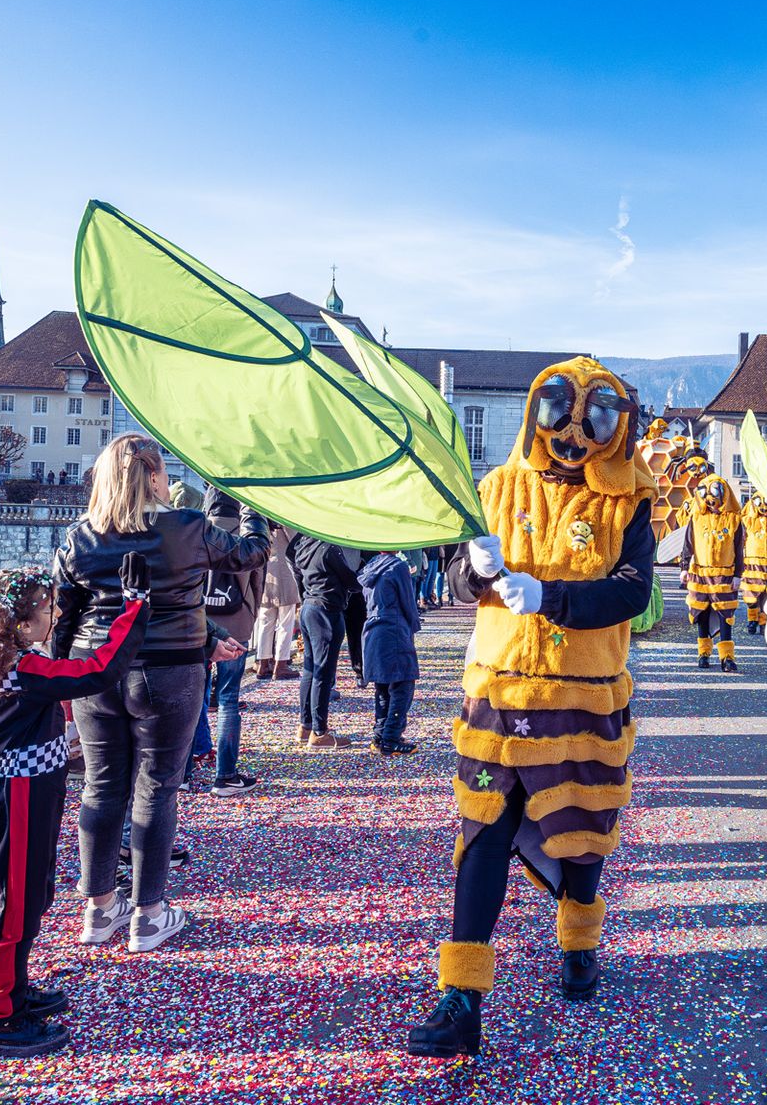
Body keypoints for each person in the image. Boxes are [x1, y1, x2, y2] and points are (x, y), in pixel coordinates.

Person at [406, 357, 653, 1058]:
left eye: (594, 420)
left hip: (581, 698)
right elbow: (458, 585)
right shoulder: (495, 487)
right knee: (482, 835)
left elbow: (633, 590)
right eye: (560, 415)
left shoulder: (628, 501)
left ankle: (579, 941)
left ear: (614, 427)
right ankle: (461, 998)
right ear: (537, 415)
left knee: (581, 834)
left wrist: (554, 597)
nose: (574, 435)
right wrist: (472, 569)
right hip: (499, 695)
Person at [0, 557, 148, 1057]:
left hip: (23, 791)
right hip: (17, 794)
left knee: (30, 897)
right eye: (48, 609)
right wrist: (134, 608)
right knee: (11, 908)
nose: (55, 616)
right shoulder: (20, 668)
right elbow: (98, 670)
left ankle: (10, 990)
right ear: (21, 622)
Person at [53, 434, 272, 956]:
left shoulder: (82, 536)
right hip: (169, 671)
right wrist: (251, 505)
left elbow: (65, 613)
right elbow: (253, 553)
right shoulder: (186, 527)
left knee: (102, 787)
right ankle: (149, 915)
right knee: (157, 787)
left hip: (97, 670)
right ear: (154, 476)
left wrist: (62, 678)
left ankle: (99, 908)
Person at [199, 489, 264, 798]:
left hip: (197, 625)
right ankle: (225, 775)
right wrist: (248, 618)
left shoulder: (196, 530)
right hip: (236, 622)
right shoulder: (245, 536)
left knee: (194, 699)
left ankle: (184, 771)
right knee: (228, 699)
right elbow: (257, 583)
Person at [288, 533, 362, 748]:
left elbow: (290, 556)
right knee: (324, 672)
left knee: (310, 669)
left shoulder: (303, 544)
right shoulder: (329, 548)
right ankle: (320, 732)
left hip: (309, 605)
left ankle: (306, 725)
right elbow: (351, 580)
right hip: (327, 609)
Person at [681, 473, 745, 671]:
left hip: (724, 574)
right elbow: (688, 543)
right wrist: (684, 568)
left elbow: (739, 548)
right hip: (700, 573)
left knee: (726, 615)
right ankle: (703, 654)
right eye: (708, 502)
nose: (712, 505)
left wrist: (737, 575)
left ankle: (727, 658)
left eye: (715, 501)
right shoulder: (696, 518)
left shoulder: (734, 520)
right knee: (702, 613)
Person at [361, 550, 423, 753]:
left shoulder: (371, 566)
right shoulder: (398, 567)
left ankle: (380, 735)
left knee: (383, 684)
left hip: (373, 627)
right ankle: (391, 737)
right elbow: (408, 601)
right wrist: (414, 626)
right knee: (403, 684)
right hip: (394, 628)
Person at [251, 520, 301, 680]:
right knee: (285, 621)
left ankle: (263, 663)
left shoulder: (260, 514)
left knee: (266, 620)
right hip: (284, 569)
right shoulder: (282, 513)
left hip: (265, 568)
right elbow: (294, 538)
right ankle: (281, 664)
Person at [738, 492, 767, 635]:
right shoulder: (750, 520)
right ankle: (752, 620)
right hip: (753, 563)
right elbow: (742, 519)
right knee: (751, 594)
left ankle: (764, 622)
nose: (764, 508)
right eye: (760, 504)